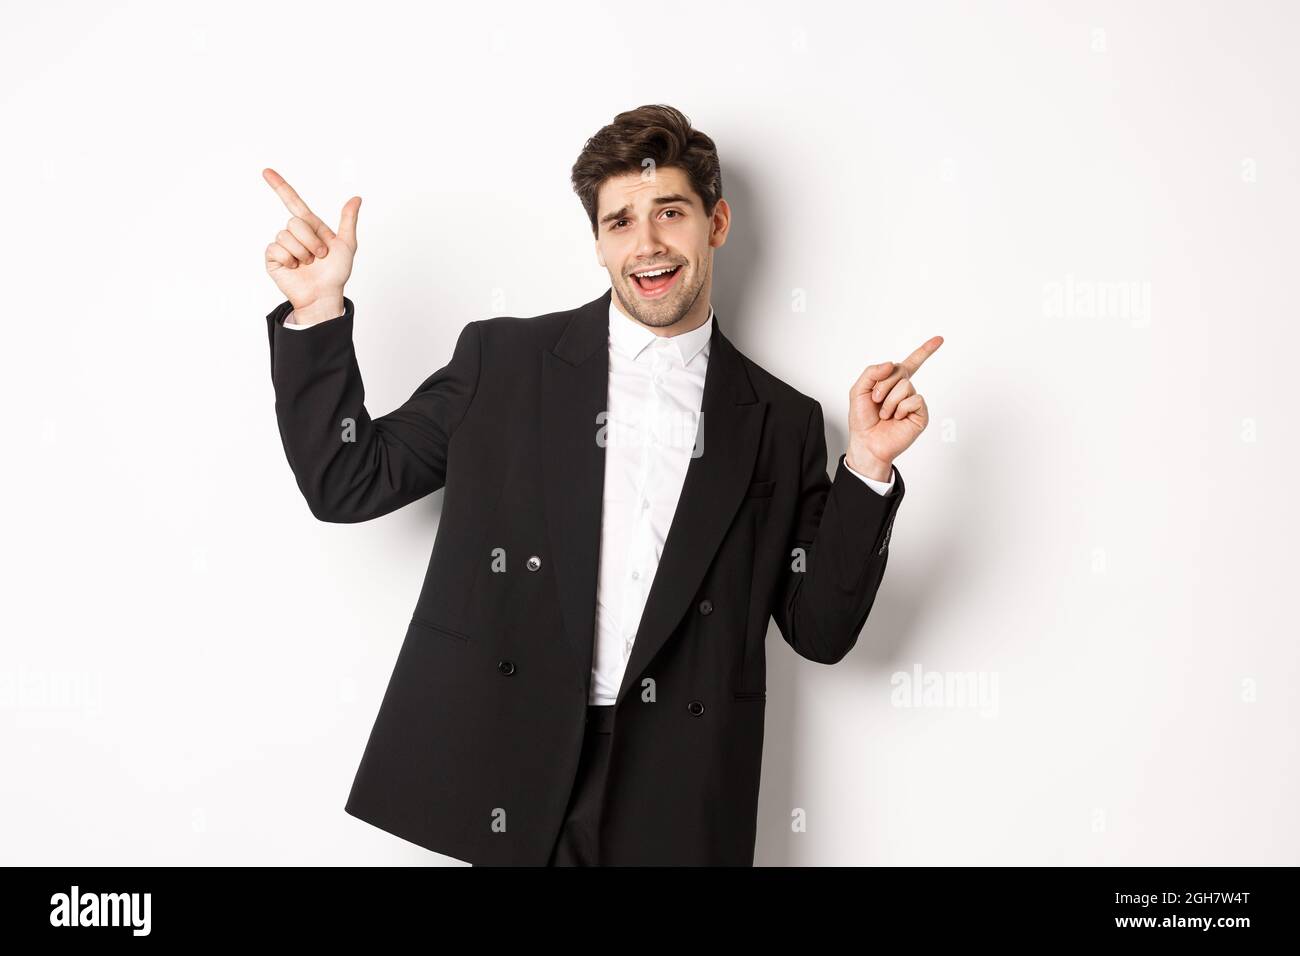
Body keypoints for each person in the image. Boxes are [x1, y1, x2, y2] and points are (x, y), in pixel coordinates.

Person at [261, 104, 941, 866]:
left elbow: (820, 631)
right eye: (620, 222)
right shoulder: (503, 361)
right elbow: (347, 482)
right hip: (504, 763)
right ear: (597, 243)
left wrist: (868, 469)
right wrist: (316, 311)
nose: (646, 244)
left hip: (676, 792)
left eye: (670, 213)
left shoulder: (780, 421)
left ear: (715, 224)